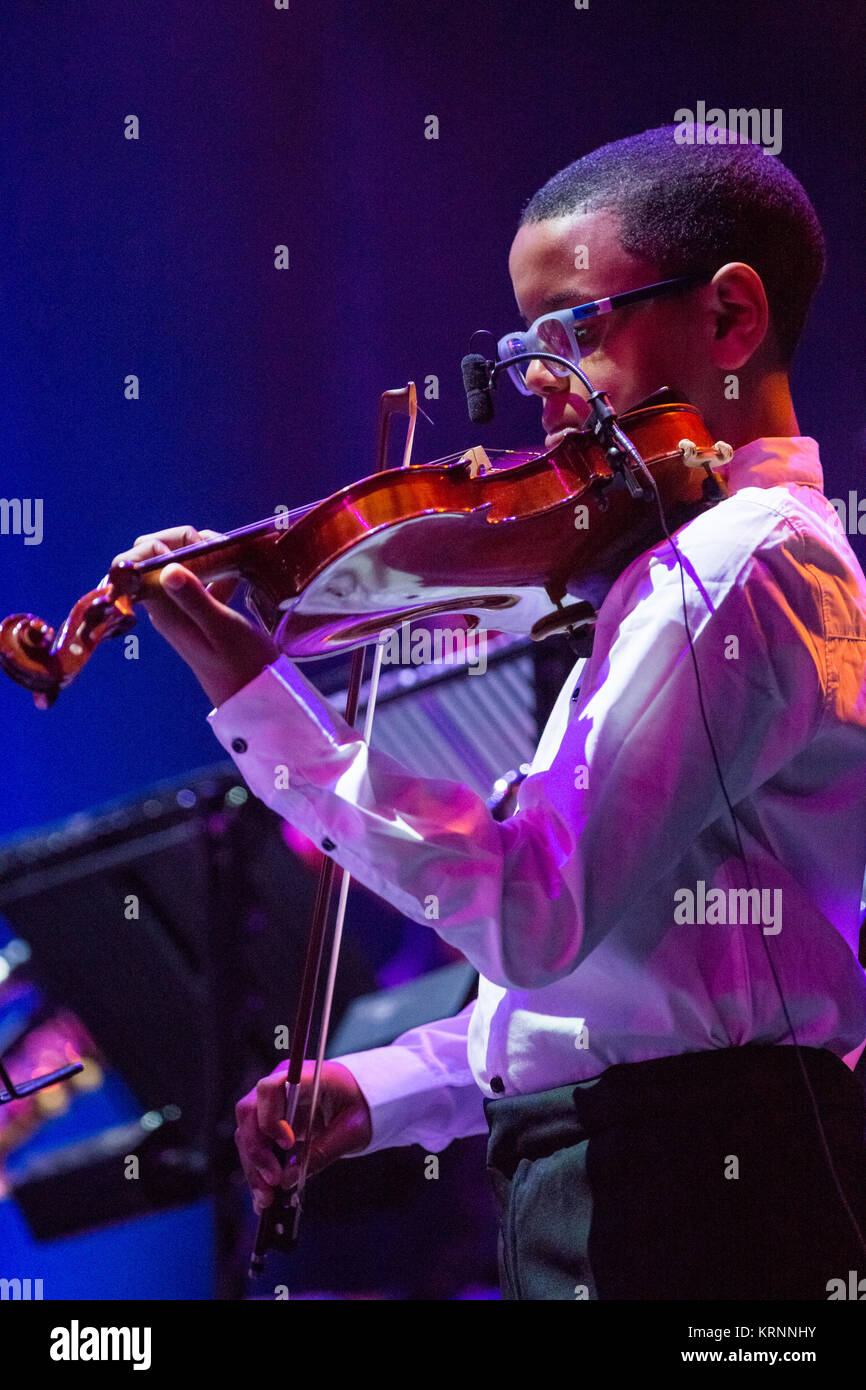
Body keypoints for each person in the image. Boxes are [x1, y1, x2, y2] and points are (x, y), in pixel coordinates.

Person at [114, 127, 866, 1300]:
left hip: (698, 1200)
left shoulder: (730, 570)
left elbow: (531, 917)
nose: (541, 393)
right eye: (524, 351)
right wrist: (391, 1088)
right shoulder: (674, 573)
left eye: (574, 332)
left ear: (727, 320)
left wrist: (263, 699)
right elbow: (642, 993)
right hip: (631, 1166)